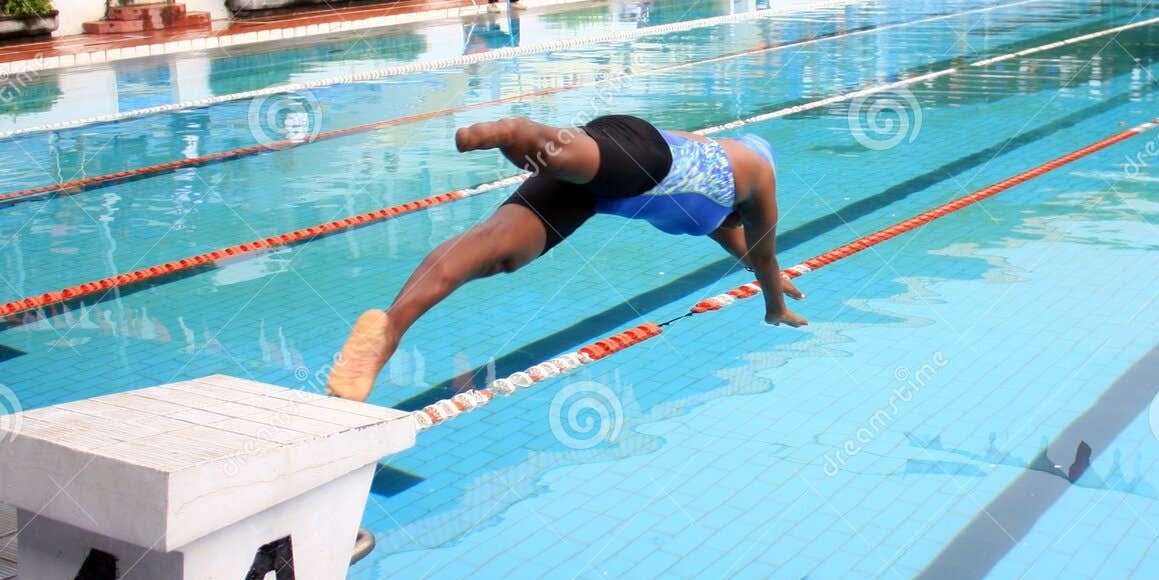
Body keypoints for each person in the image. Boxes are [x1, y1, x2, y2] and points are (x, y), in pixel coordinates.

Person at [325, 115, 804, 401]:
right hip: (646, 155)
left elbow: (745, 251)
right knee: (563, 156)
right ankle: (520, 132)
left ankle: (389, 329)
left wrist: (771, 279)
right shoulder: (757, 177)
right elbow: (764, 254)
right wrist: (774, 307)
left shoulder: (719, 211)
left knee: (497, 252)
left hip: (599, 195)